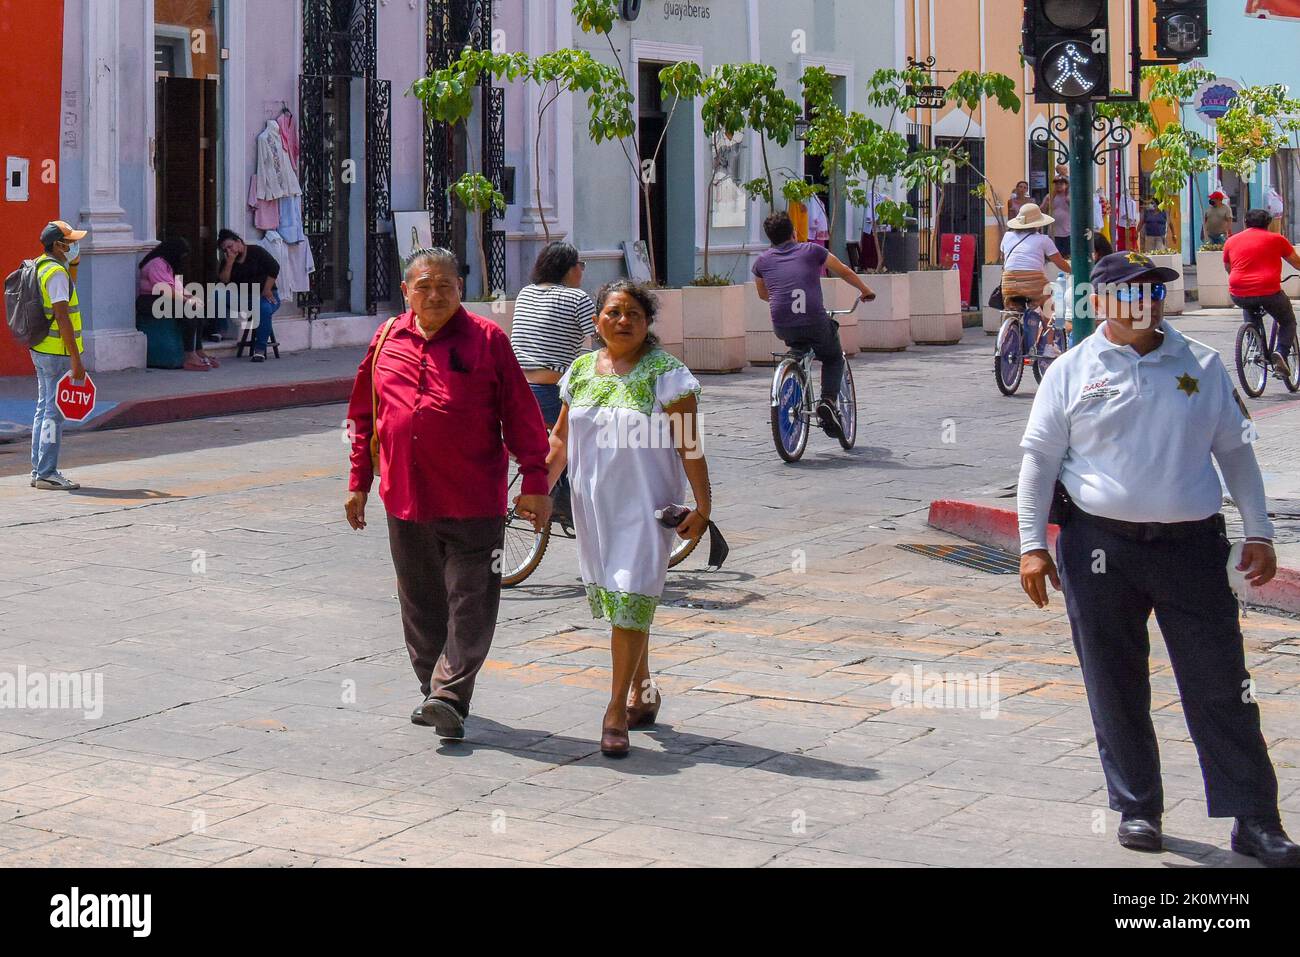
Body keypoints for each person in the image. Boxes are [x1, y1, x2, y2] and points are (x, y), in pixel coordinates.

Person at [1018, 251, 1299, 868]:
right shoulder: (1070, 370)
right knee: (1115, 682)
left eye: (1153, 290)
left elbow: (1237, 451)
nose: (1144, 301)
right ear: (1100, 302)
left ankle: (1254, 818)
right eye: (1129, 291)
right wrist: (1032, 545)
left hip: (1192, 549)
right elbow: (1038, 460)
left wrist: (1259, 530)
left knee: (1222, 684)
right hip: (1100, 548)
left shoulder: (1199, 363)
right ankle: (1138, 806)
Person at [344, 248, 552, 741]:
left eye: (445, 286)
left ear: (460, 288)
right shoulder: (387, 338)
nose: (434, 295)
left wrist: (536, 483)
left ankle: (451, 693)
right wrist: (358, 482)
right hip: (406, 498)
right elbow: (363, 415)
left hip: (472, 499)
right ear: (406, 292)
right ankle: (434, 691)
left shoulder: (487, 339)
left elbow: (522, 415)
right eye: (424, 286)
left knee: (471, 599)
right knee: (419, 602)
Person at [544, 280, 713, 757]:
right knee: (621, 600)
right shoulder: (579, 371)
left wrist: (704, 507)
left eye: (633, 314)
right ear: (597, 320)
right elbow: (561, 440)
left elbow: (689, 443)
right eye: (613, 313)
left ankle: (615, 710)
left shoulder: (668, 374)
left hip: (646, 509)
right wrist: (535, 488)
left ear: (647, 322)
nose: (622, 321)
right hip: (593, 509)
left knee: (633, 594)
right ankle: (644, 689)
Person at [752, 211, 875, 440]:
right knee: (832, 357)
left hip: (782, 324)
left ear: (770, 238)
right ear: (794, 232)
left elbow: (763, 294)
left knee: (797, 343)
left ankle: (793, 372)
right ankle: (828, 401)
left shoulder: (762, 261)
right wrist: (865, 290)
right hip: (814, 321)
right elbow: (844, 271)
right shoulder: (812, 250)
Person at [510, 242, 596, 524]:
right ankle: (570, 501)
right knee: (594, 435)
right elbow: (604, 335)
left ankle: (560, 492)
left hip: (519, 392)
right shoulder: (577, 298)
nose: (581, 272)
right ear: (569, 269)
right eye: (580, 266)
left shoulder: (525, 293)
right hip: (552, 392)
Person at [27, 221, 88, 492]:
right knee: (54, 412)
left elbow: (64, 290)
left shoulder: (42, 265)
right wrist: (76, 359)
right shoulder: (55, 273)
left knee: (44, 409)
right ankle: (47, 472)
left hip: (41, 349)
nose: (74, 245)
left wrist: (73, 265)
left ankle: (39, 469)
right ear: (58, 245)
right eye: (70, 241)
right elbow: (63, 318)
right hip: (57, 352)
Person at [1225, 208, 1300, 380]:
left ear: (1245, 223)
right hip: (1269, 291)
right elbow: (1296, 262)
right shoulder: (1277, 239)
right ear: (1268, 224)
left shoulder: (1232, 241)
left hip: (1238, 291)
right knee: (1288, 321)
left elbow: (1229, 267)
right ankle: (1281, 352)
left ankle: (1254, 345)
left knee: (1248, 305)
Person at [137, 239, 217, 371]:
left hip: (164, 299)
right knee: (189, 310)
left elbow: (178, 288)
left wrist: (192, 298)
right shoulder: (157, 264)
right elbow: (165, 289)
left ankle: (198, 349)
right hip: (150, 300)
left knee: (198, 310)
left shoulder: (168, 266)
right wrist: (187, 301)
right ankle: (189, 355)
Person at [217, 229, 280, 362]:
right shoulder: (228, 260)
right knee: (217, 294)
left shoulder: (256, 252)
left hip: (266, 295)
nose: (229, 251)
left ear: (238, 242)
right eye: (225, 249)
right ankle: (219, 330)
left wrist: (267, 288)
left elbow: (274, 267)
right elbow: (224, 280)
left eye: (230, 246)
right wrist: (229, 262)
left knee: (263, 309)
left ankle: (260, 350)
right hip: (244, 298)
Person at [999, 203, 1071, 311]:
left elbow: (1002, 258)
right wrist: (1074, 270)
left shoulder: (1007, 236)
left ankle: (1009, 323)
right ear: (1038, 224)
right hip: (1034, 282)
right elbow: (1060, 262)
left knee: (1012, 309)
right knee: (1047, 306)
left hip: (1009, 281)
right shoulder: (1044, 239)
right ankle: (1048, 326)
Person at [1049, 177, 1072, 258]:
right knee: (1057, 254)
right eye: (1057, 184)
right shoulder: (1050, 196)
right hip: (1055, 232)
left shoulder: (1069, 196)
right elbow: (1043, 208)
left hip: (1068, 231)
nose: (1058, 185)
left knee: (1067, 255)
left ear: (1066, 185)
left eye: (1061, 184)